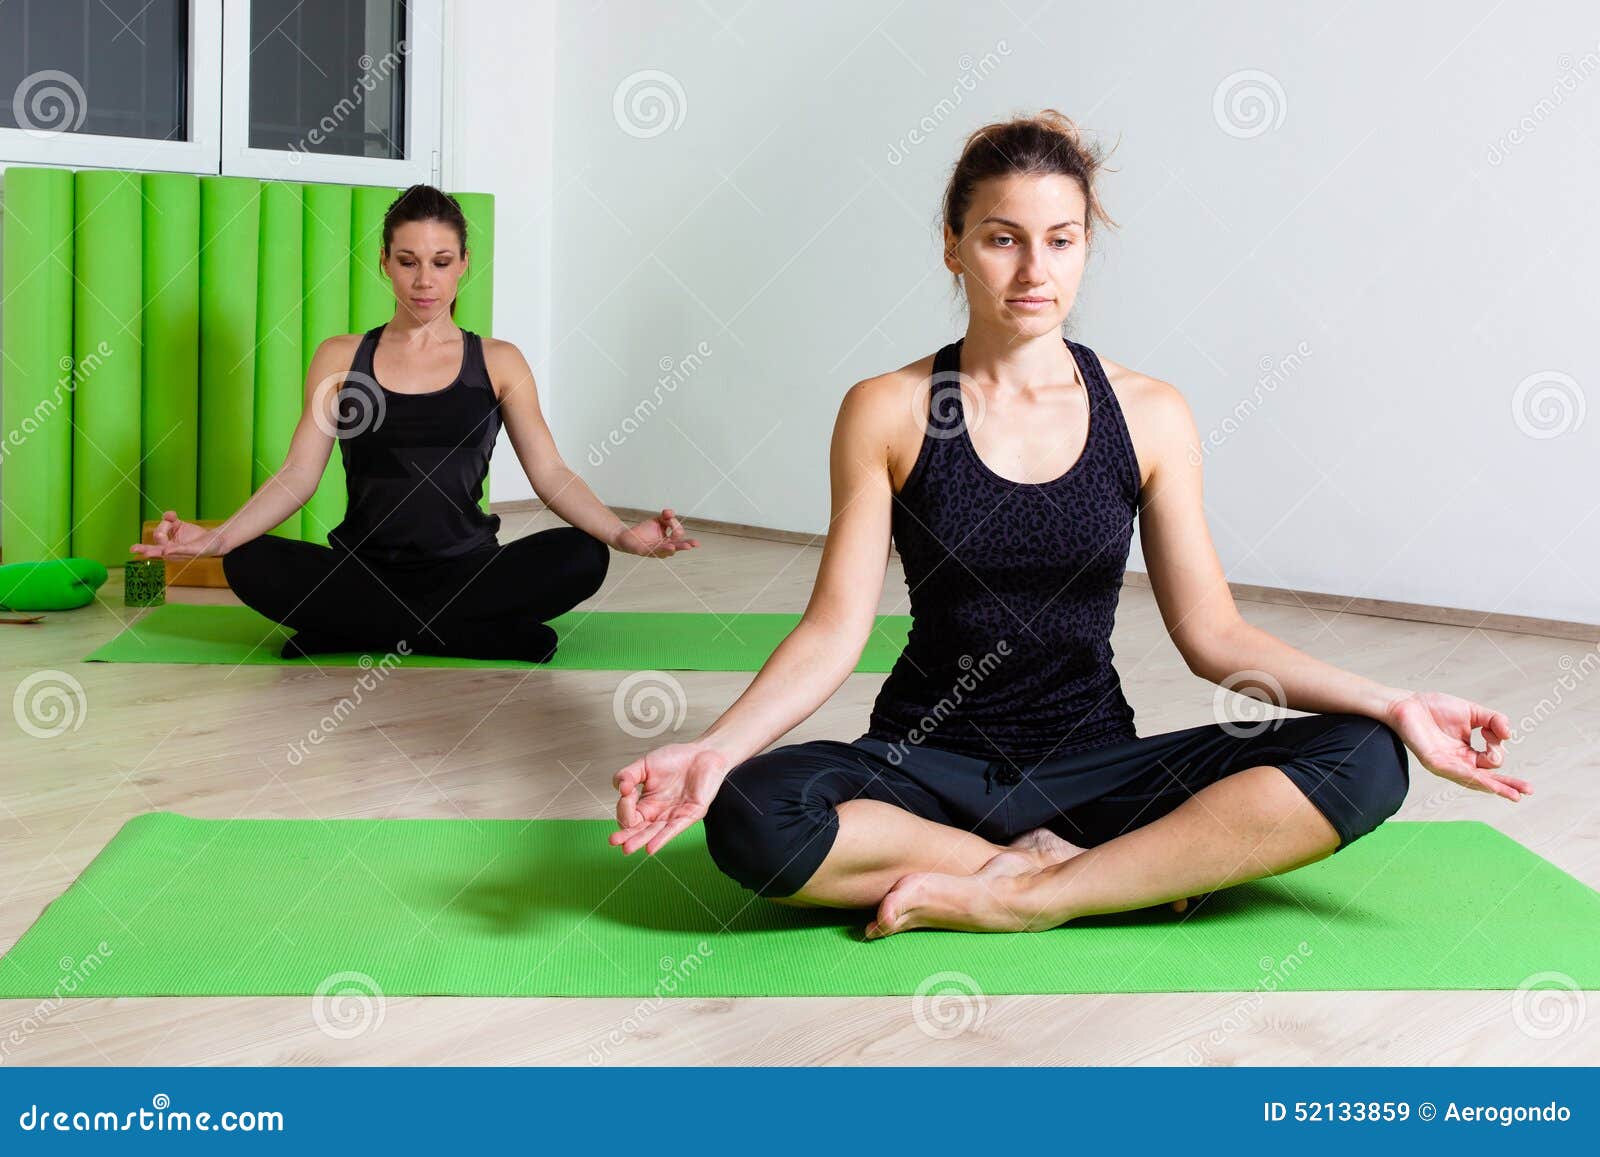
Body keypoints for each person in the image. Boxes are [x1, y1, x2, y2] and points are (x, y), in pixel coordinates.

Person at [608, 111, 1529, 937]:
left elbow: (1215, 635)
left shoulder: (1150, 411)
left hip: (1097, 773)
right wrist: (716, 747)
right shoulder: (885, 408)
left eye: (1061, 239)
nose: (1034, 270)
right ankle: (1098, 883)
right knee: (752, 811)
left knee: (1366, 756)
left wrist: (1394, 703)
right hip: (928, 772)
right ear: (954, 247)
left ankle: (1029, 893)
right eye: (1003, 239)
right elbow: (835, 629)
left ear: (1088, 246)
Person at [131, 184, 698, 662]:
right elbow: (299, 473)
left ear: (464, 265)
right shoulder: (339, 357)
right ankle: (470, 634)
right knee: (250, 560)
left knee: (583, 554)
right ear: (384, 262)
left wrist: (622, 535)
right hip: (362, 574)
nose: (424, 281)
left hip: (466, 572)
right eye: (408, 262)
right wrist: (219, 537)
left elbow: (549, 472)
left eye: (441, 262)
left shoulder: (499, 361)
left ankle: (355, 632)